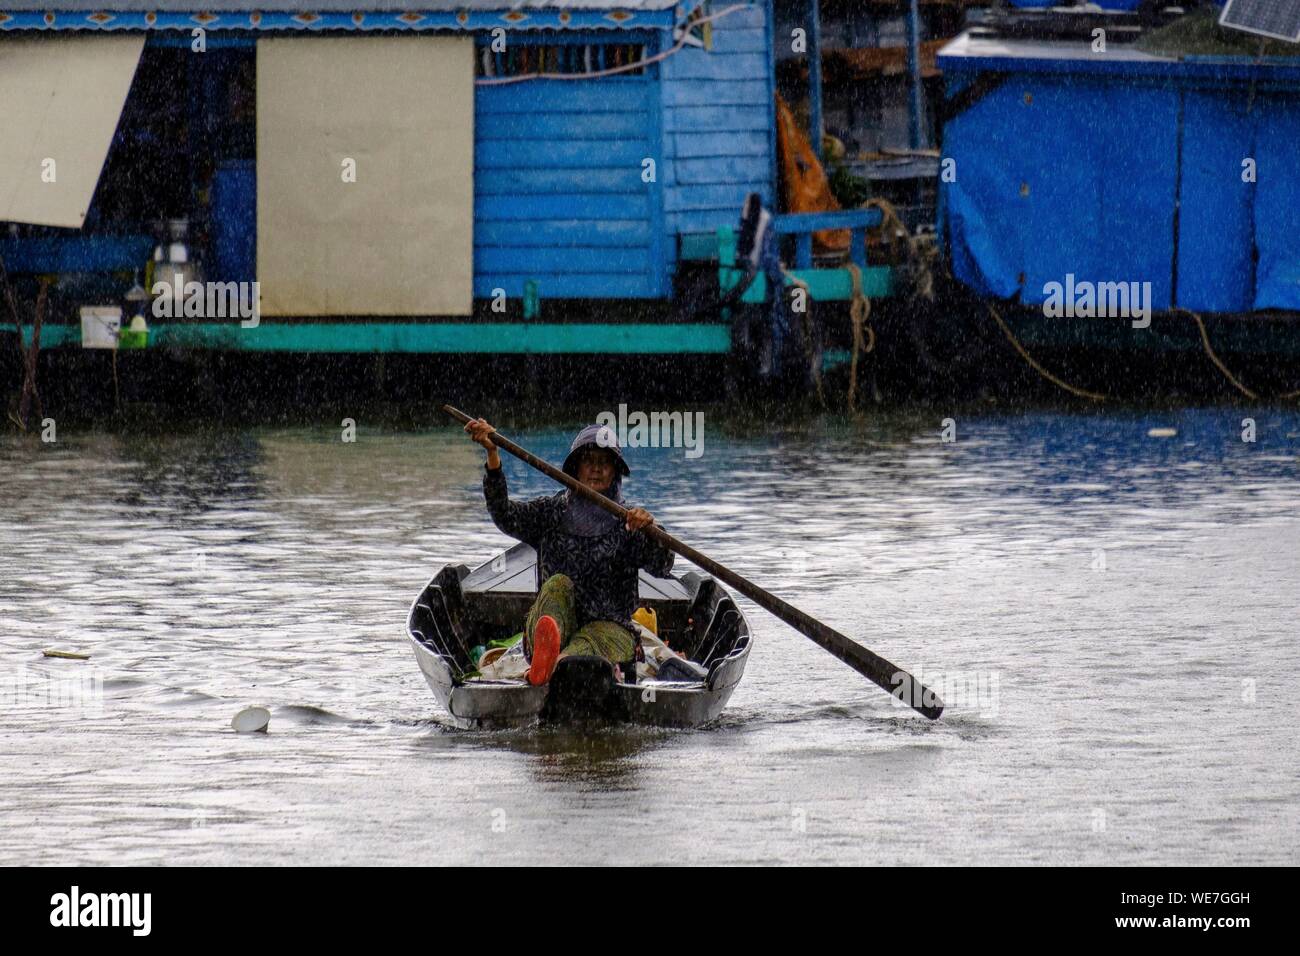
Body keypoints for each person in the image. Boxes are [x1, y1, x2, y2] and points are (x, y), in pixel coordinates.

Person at [464, 419, 673, 686]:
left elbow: (662, 565)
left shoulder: (630, 524)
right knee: (557, 584)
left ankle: (557, 666)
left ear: (614, 472)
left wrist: (653, 529)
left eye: (604, 462)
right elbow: (504, 515)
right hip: (556, 625)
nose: (596, 468)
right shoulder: (550, 512)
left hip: (609, 629)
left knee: (579, 655)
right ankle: (547, 656)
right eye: (589, 460)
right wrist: (493, 456)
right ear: (576, 468)